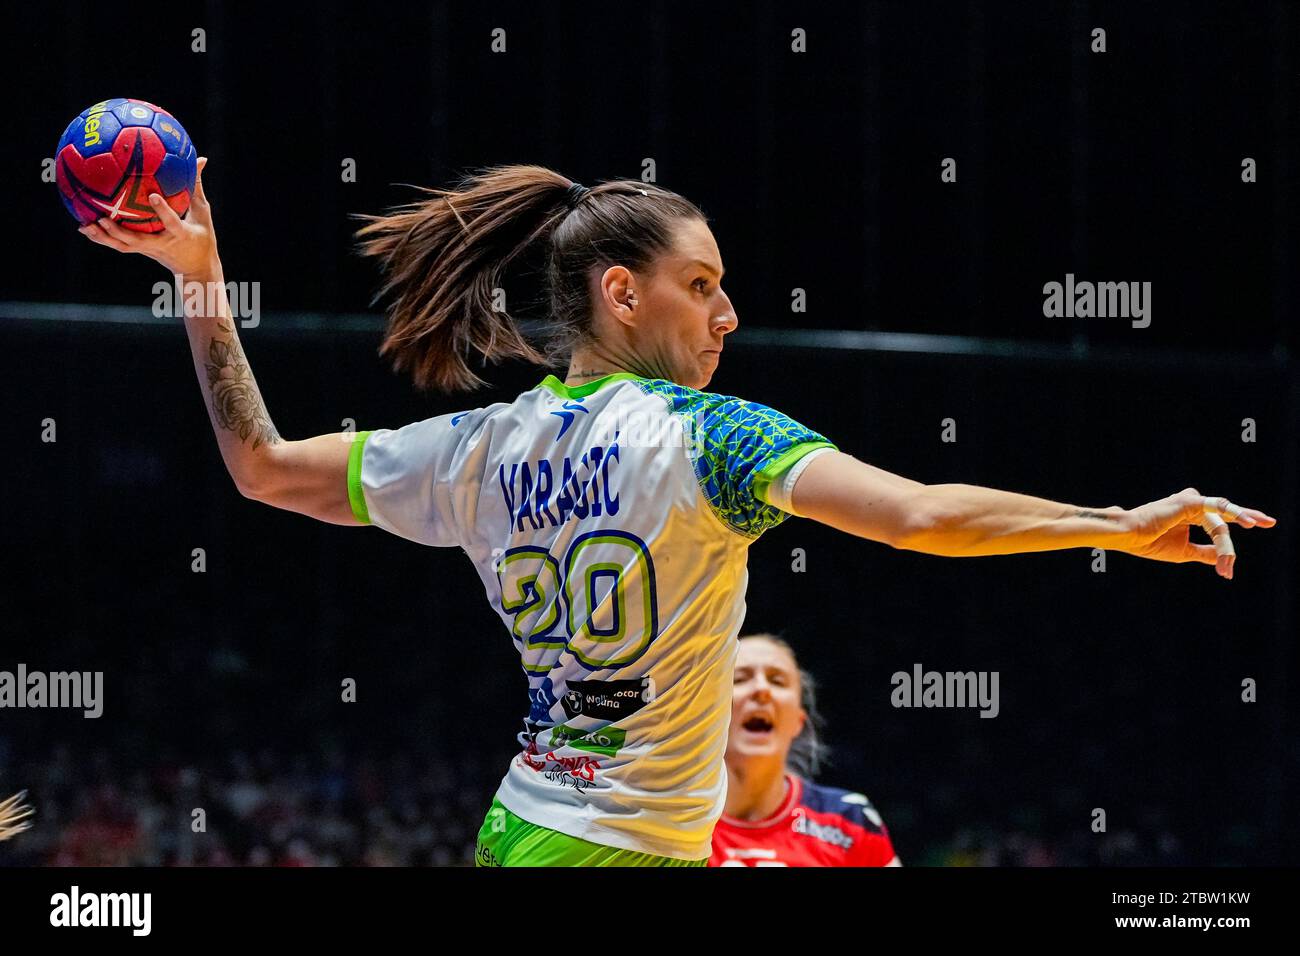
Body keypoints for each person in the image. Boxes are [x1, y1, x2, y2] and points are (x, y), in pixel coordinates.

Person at [77, 162, 1276, 866]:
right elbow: (919, 515)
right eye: (700, 283)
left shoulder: (479, 448)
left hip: (519, 828)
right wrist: (1115, 521)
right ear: (620, 290)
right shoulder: (714, 439)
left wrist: (200, 275)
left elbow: (258, 463)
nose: (727, 312)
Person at [711, 633, 899, 867]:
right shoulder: (672, 815)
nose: (761, 689)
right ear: (710, 710)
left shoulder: (849, 820)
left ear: (798, 722)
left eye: (777, 681)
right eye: (739, 679)